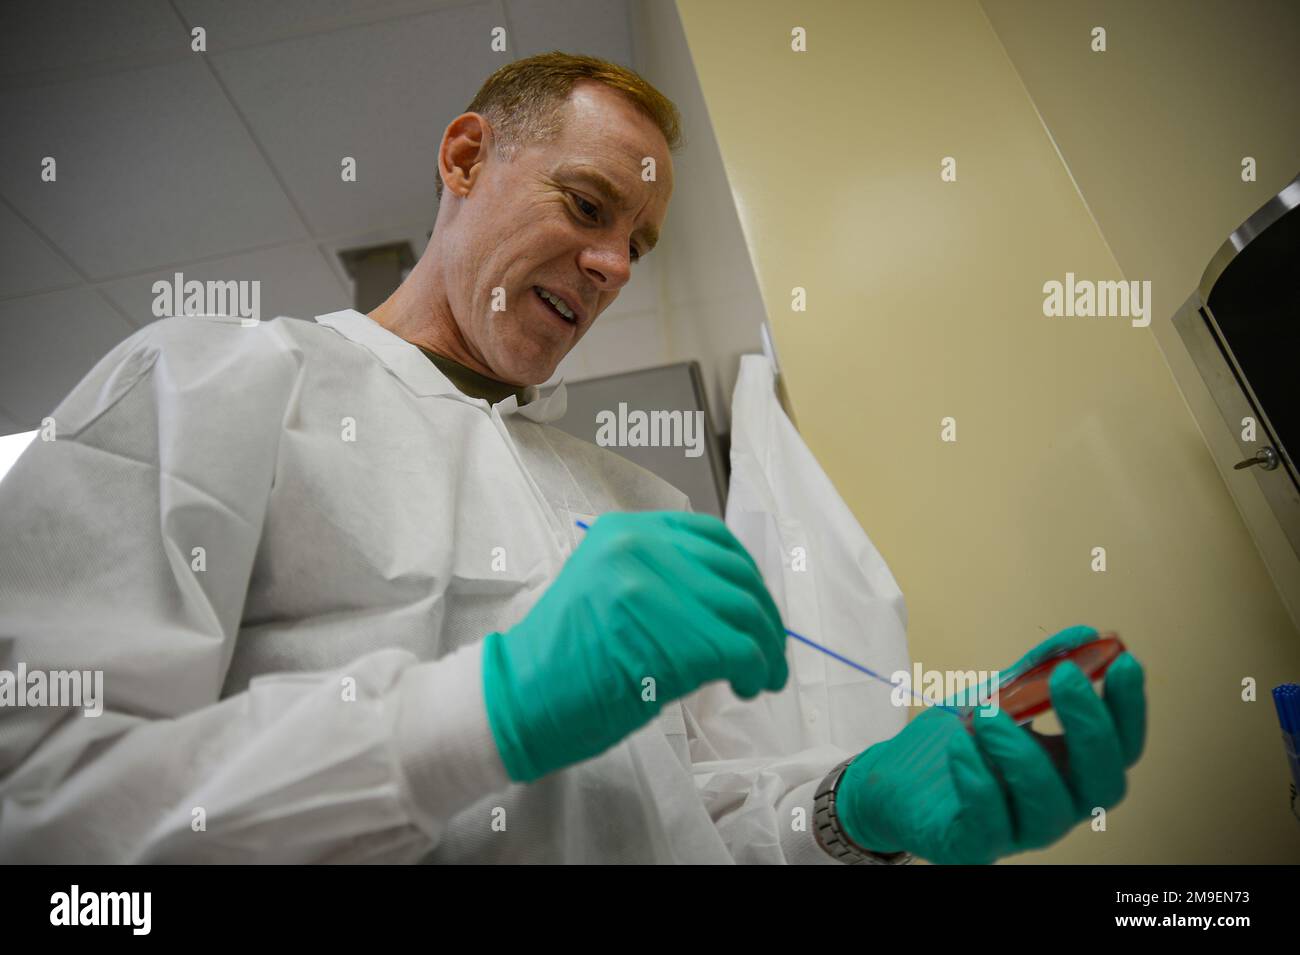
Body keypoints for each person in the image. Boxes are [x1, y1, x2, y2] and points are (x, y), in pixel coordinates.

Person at [0, 52, 1144, 864]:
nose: (611, 267)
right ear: (464, 156)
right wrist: (481, 713)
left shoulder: (631, 500)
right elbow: (41, 808)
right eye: (587, 205)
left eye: (636, 245)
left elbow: (688, 824)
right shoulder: (213, 383)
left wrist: (850, 812)